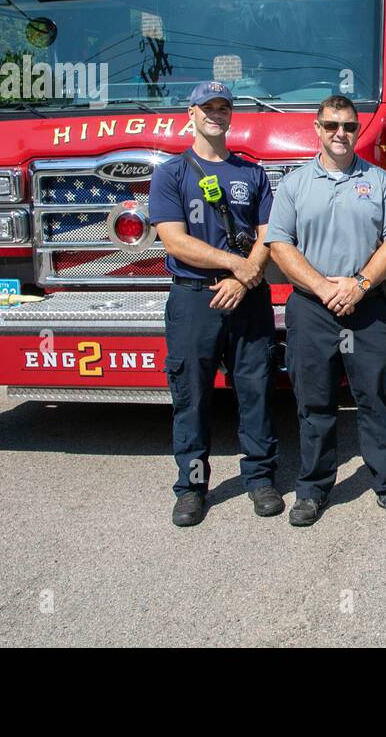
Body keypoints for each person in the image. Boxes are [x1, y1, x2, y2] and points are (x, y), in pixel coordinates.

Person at [266, 94, 386, 526]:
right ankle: (312, 490)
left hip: (367, 307)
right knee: (314, 402)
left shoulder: (381, 181)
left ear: (357, 130)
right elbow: (280, 244)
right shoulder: (294, 185)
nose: (340, 134)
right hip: (312, 308)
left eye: (348, 126)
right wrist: (320, 286)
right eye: (331, 125)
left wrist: (361, 284)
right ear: (317, 128)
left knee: (376, 397)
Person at [149, 81, 281, 527]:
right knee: (192, 396)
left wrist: (245, 280)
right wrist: (236, 267)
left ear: (230, 116)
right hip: (194, 300)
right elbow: (174, 240)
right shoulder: (171, 174)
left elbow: (268, 235)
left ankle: (260, 479)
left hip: (248, 300)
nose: (216, 114)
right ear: (191, 113)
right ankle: (191, 488)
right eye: (208, 107)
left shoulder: (252, 173)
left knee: (256, 392)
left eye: (223, 108)